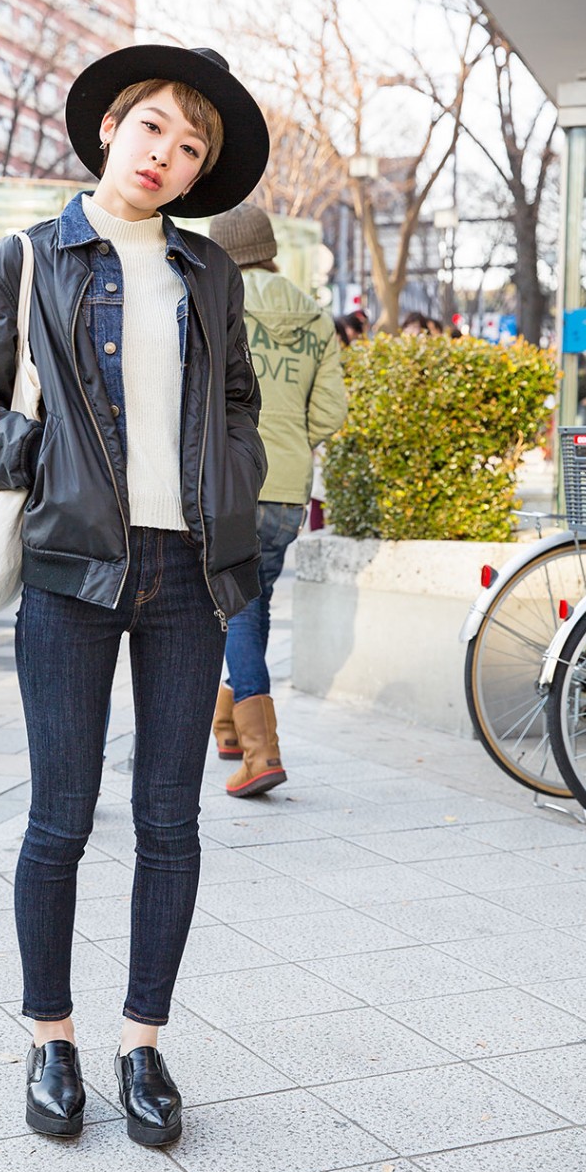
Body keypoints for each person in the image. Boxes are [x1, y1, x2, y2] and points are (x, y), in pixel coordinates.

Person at [0, 44, 269, 1146]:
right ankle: (51, 1038)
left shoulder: (208, 273)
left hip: (187, 575)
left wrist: (237, 478)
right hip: (71, 575)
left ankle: (143, 1043)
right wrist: (43, 458)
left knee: (170, 821)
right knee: (60, 818)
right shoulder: (25, 258)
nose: (167, 154)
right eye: (154, 126)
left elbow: (237, 402)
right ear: (111, 127)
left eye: (192, 146)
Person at [208, 204, 347, 796]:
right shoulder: (315, 315)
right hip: (289, 486)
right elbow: (332, 410)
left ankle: (261, 752)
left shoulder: (218, 302)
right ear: (268, 249)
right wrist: (292, 444)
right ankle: (228, 727)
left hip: (230, 478)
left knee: (236, 607)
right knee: (254, 599)